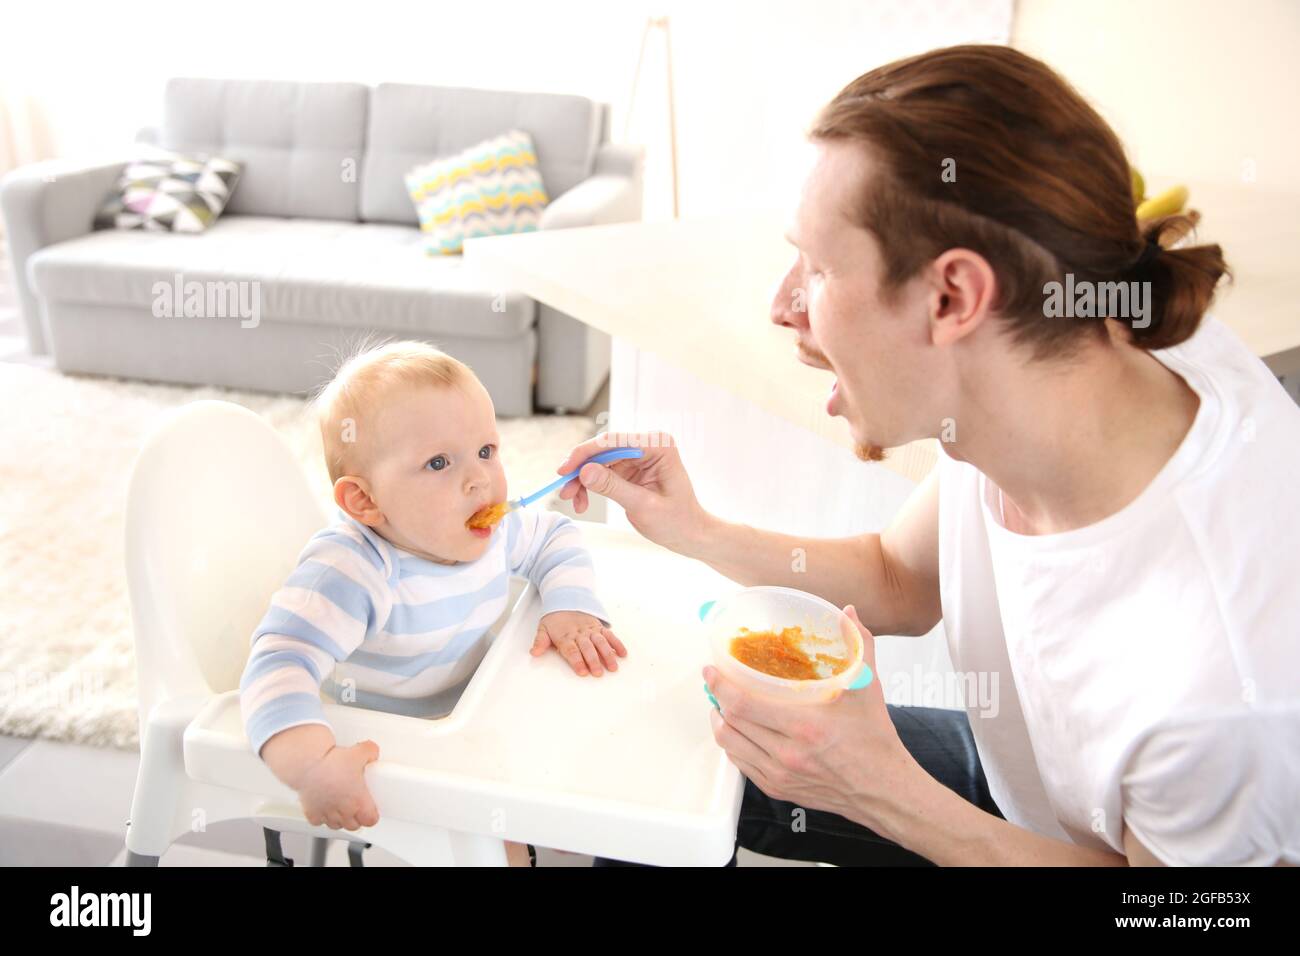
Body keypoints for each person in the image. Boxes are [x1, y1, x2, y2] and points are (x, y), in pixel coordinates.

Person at [556, 44, 1300, 866]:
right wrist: (695, 529)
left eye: (820, 269)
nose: (781, 305)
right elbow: (899, 579)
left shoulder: (1229, 687)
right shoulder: (1048, 367)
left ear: (952, 297)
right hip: (1031, 784)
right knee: (662, 756)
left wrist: (882, 792)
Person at [239, 340, 627, 865]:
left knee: (597, 775)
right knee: (500, 848)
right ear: (365, 501)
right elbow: (278, 662)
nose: (479, 479)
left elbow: (554, 536)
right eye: (439, 462)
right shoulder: (352, 571)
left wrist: (568, 605)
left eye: (487, 451)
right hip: (391, 752)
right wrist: (312, 765)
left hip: (470, 713)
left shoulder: (493, 528)